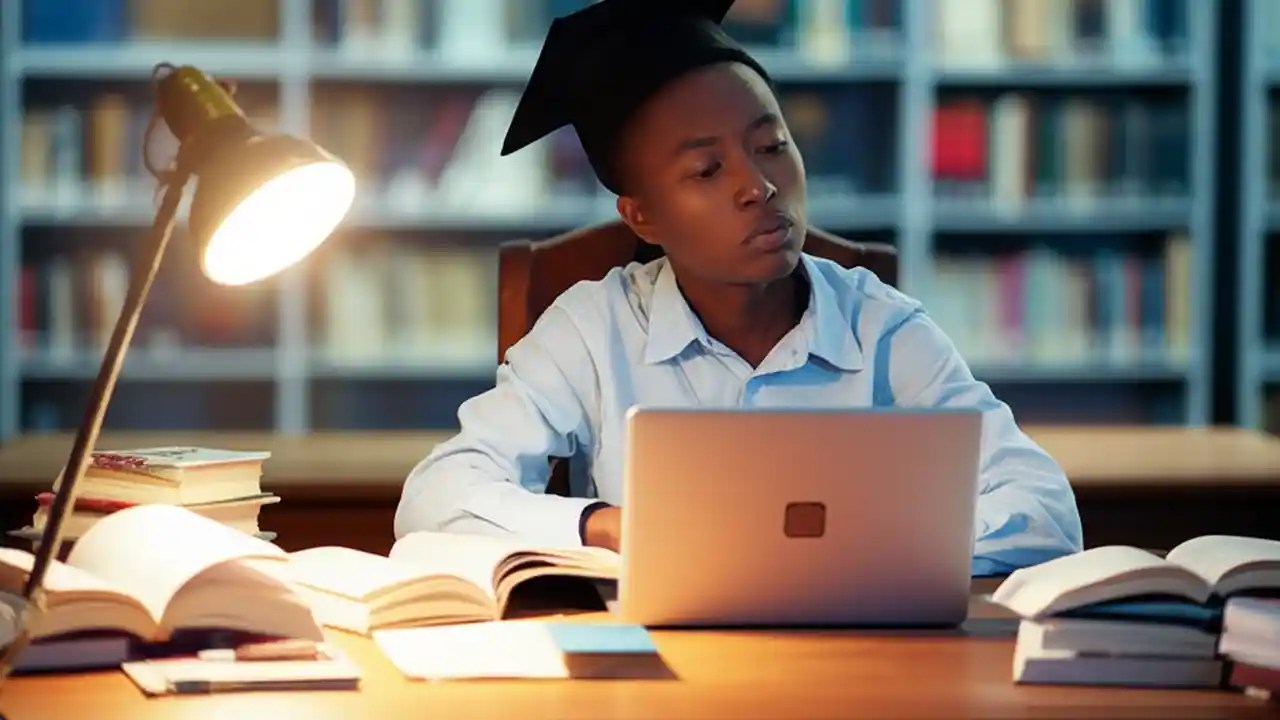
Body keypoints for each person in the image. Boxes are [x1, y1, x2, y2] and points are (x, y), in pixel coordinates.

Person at [394, 0, 1082, 576]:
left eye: (771, 145)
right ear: (643, 216)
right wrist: (610, 526)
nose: (759, 186)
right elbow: (435, 498)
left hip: (853, 654)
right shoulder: (592, 329)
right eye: (706, 170)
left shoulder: (881, 326)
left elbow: (1044, 511)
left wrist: (861, 548)